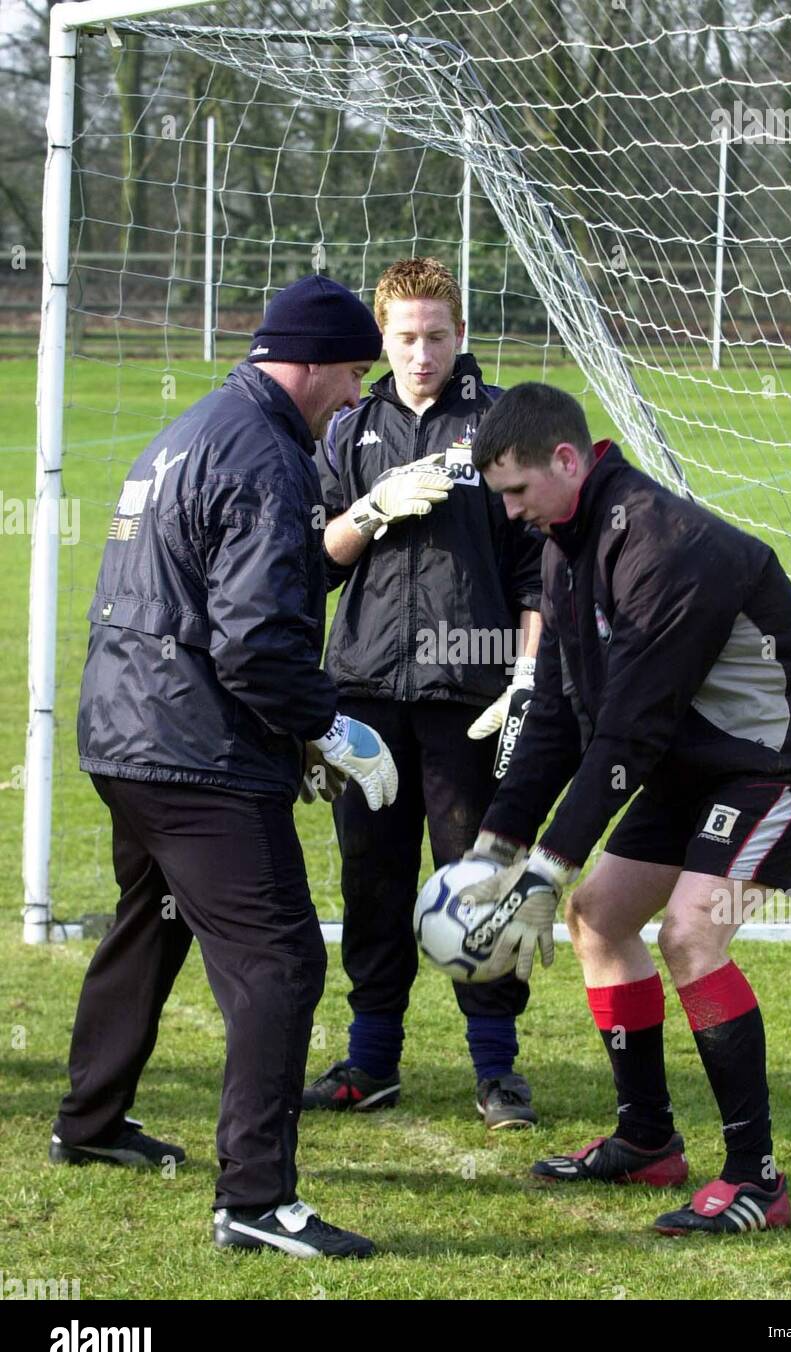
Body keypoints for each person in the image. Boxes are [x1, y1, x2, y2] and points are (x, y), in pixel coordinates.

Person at [457, 382, 791, 1234]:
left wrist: (543, 867)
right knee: (599, 916)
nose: (511, 513)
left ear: (566, 460)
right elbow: (564, 714)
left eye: (516, 492)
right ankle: (646, 1140)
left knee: (689, 931)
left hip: (780, 758)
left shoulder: (665, 543)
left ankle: (756, 1177)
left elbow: (627, 730)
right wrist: (494, 851)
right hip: (693, 757)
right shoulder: (566, 541)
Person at [52, 275, 400, 1261]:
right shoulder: (265, 451)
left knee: (152, 925)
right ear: (312, 359)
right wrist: (327, 728)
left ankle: (90, 1118)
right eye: (349, 374)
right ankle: (256, 1196)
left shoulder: (190, 428)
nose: (350, 398)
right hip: (195, 750)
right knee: (280, 959)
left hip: (125, 732)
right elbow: (253, 639)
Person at [302, 257, 545, 1128]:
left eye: (435, 336)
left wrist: (524, 677)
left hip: (467, 694)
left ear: (461, 335)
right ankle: (371, 1062)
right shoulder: (348, 427)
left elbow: (535, 570)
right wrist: (366, 514)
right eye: (403, 338)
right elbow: (311, 561)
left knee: (476, 878)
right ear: (382, 340)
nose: (419, 354)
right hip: (362, 693)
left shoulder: (498, 422)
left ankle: (497, 1070)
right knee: (370, 878)